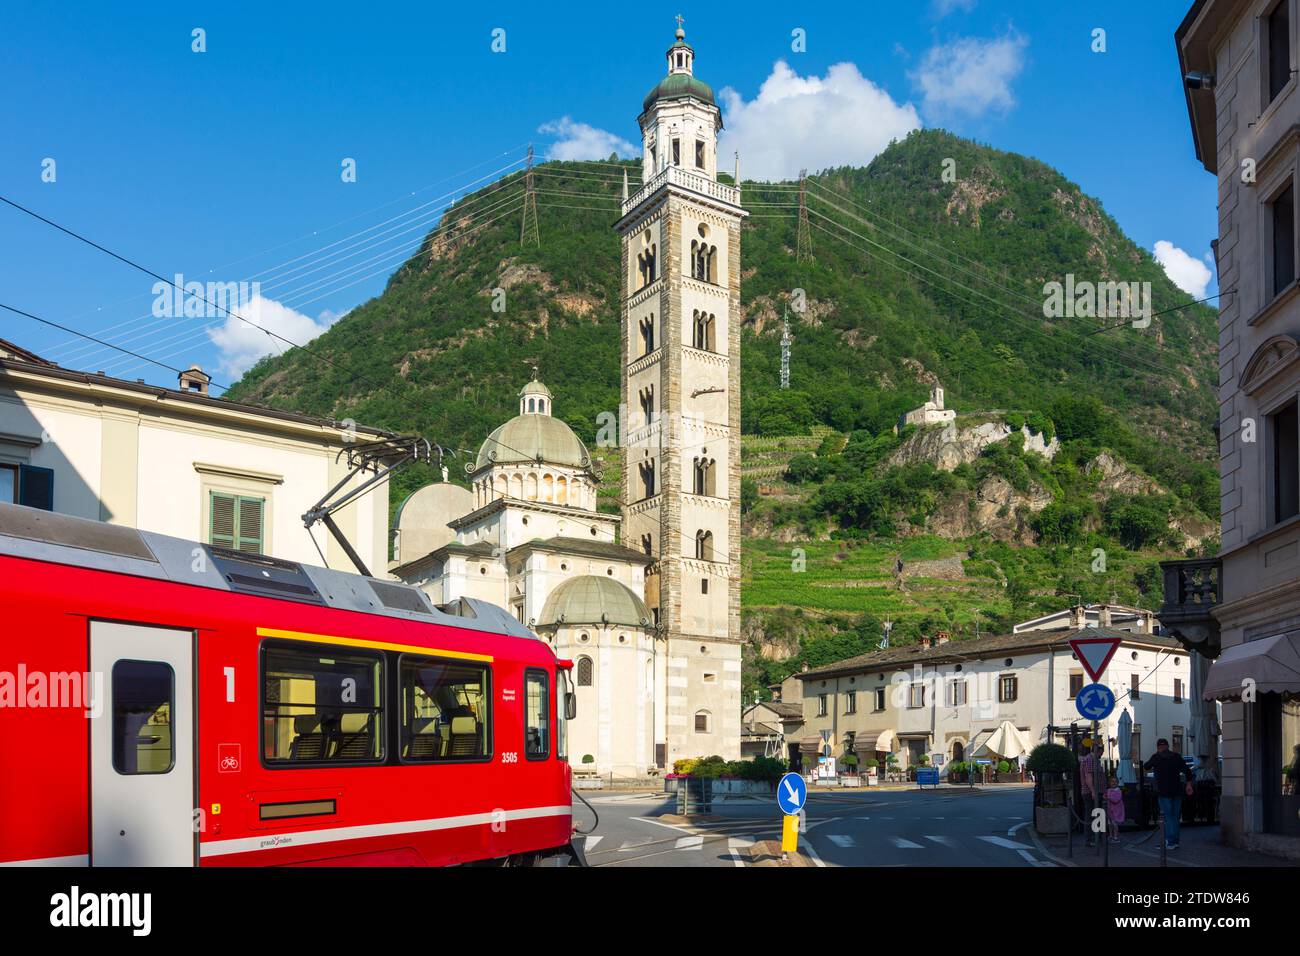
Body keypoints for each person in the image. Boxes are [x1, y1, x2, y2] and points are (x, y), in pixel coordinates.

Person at [1144, 739, 1194, 849]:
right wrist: (1189, 785)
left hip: (1164, 792)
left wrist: (1156, 756)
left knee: (1167, 817)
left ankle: (1170, 841)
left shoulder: (1156, 757)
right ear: (1168, 746)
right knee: (1175, 817)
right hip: (1177, 791)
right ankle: (1175, 841)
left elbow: (1146, 766)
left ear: (1158, 747)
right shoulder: (1176, 756)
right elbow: (1188, 771)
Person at [1079, 742, 1103, 846]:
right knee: (1091, 815)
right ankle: (1091, 840)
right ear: (1098, 751)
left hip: (1094, 791)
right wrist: (1093, 791)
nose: (1101, 754)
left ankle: (1096, 838)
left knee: (1097, 814)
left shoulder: (1094, 759)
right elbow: (1088, 778)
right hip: (1091, 793)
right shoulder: (1090, 760)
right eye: (1101, 752)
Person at [1105, 774, 1125, 843]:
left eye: (1115, 781)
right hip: (1109, 810)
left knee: (1114, 823)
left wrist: (1108, 797)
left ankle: (1116, 836)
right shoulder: (1108, 790)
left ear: (1117, 783)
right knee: (1109, 823)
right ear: (1109, 783)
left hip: (1116, 810)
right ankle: (1110, 835)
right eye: (1111, 781)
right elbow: (1105, 796)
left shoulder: (1118, 791)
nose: (1113, 783)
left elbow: (1116, 800)